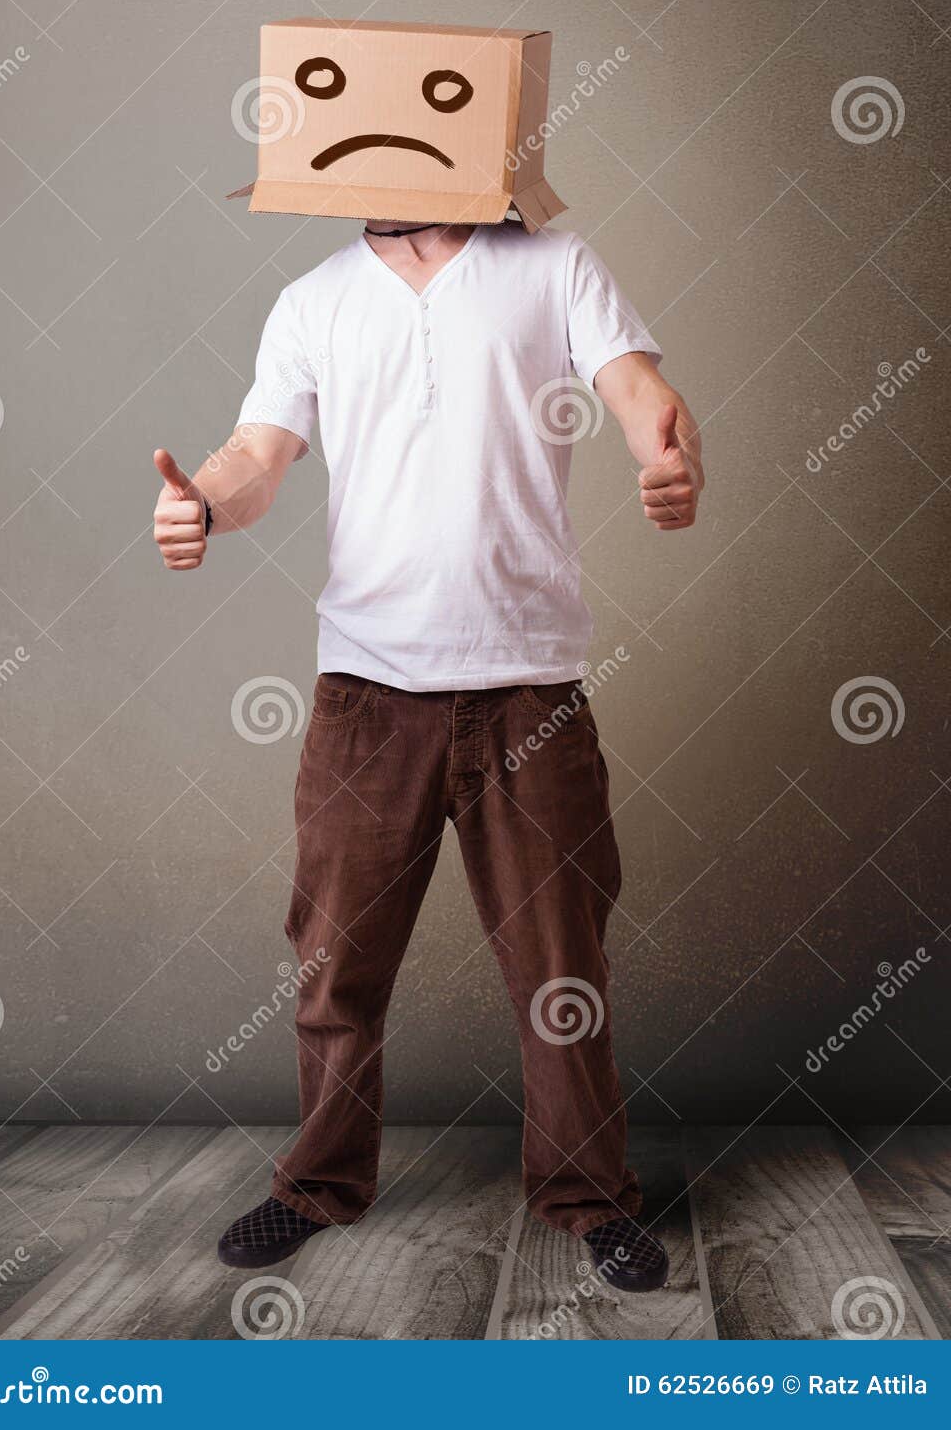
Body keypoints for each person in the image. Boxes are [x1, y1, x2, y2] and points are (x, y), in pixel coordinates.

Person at [152, 217, 703, 1292]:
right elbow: (260, 452)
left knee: (562, 969)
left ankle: (591, 1195)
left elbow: (637, 389)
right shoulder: (315, 297)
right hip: (367, 692)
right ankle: (317, 1183)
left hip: (528, 689)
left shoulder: (554, 262)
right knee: (334, 964)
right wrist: (203, 503)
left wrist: (670, 458)